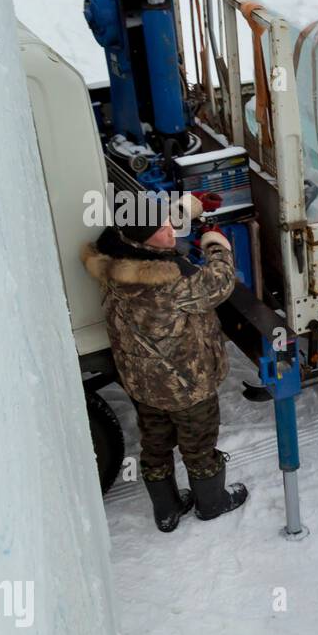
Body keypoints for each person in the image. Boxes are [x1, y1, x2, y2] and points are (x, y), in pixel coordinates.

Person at [81, 193, 248, 531]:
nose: (171, 231)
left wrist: (188, 208)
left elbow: (145, 233)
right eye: (162, 228)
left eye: (169, 222)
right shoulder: (173, 283)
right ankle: (212, 503)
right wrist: (216, 243)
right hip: (185, 385)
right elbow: (220, 282)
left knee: (155, 446)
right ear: (142, 239)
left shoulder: (112, 258)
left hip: (143, 384)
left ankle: (167, 511)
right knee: (198, 446)